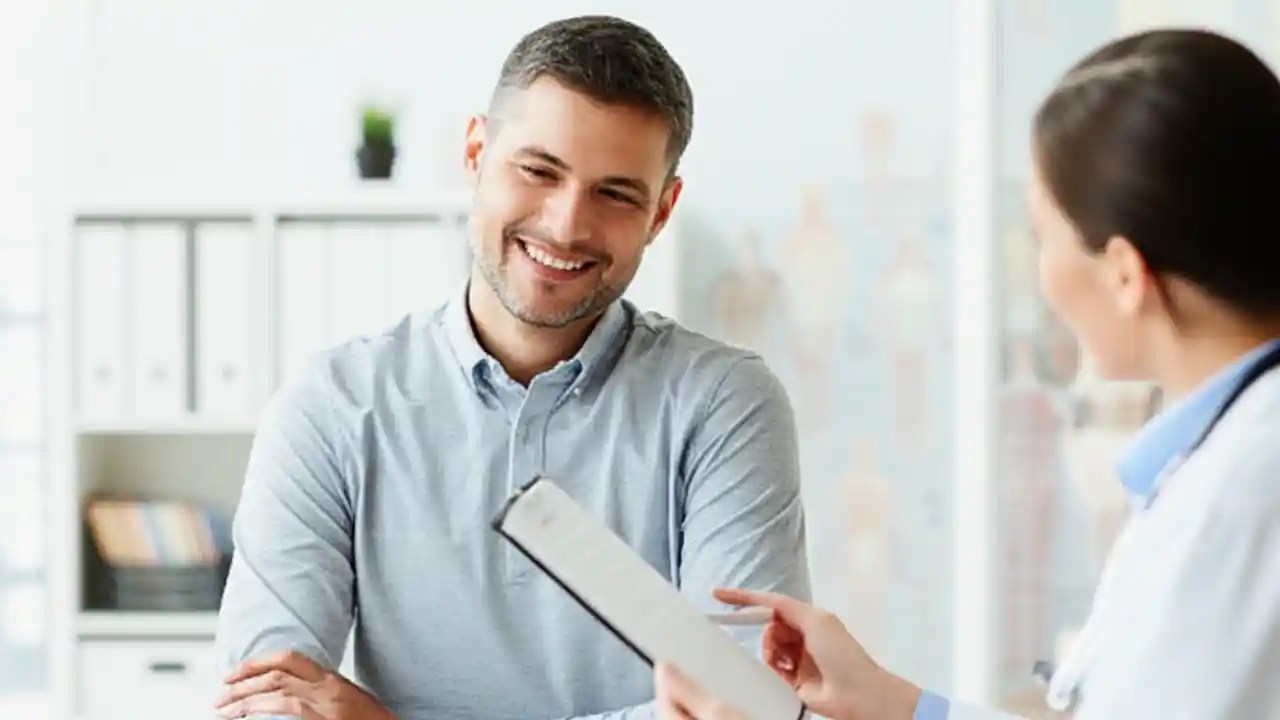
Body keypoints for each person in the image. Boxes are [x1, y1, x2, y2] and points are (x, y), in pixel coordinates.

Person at [654, 28, 1280, 720]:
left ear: (1126, 274)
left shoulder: (1240, 502)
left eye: (1042, 239)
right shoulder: (1230, 462)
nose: (1041, 279)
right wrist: (893, 702)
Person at [212, 15, 810, 720]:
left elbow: (744, 709)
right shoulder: (332, 407)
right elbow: (266, 704)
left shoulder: (723, 405)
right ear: (475, 153)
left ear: (661, 211)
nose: (564, 225)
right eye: (538, 170)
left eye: (615, 194)